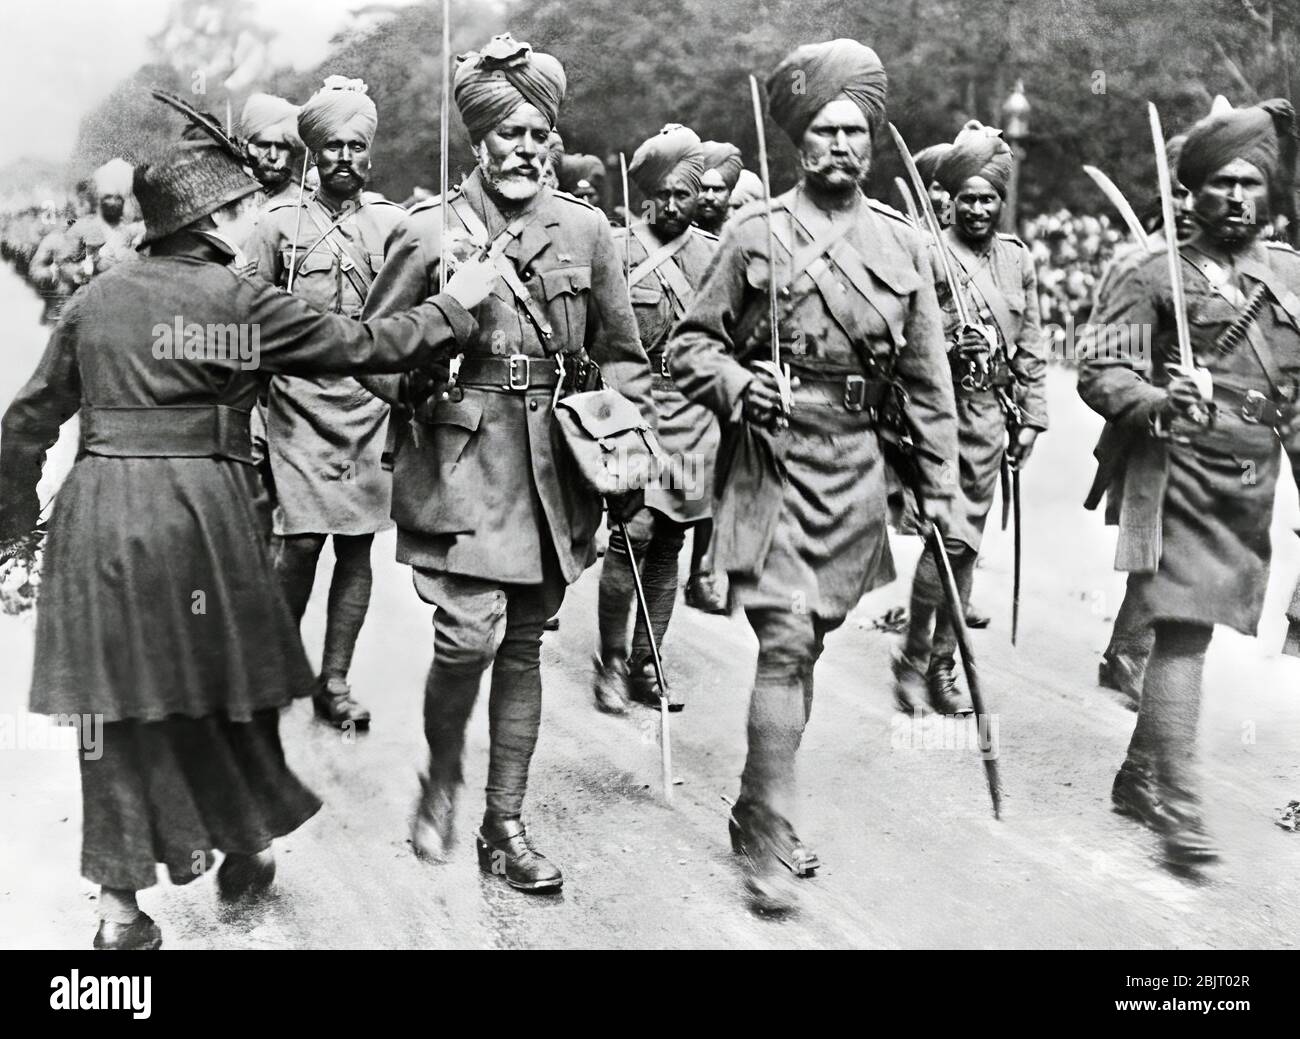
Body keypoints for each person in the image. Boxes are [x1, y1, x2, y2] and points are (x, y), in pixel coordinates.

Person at [0, 113, 495, 950]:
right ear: (212, 221)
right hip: (205, 511)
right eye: (237, 210)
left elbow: (25, 424)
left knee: (110, 711)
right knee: (230, 683)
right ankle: (244, 841)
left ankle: (119, 913)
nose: (247, 220)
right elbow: (367, 346)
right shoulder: (242, 301)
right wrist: (457, 305)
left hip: (100, 517)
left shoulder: (95, 299)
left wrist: (15, 529)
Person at [359, 33, 655, 893]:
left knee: (521, 646)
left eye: (538, 136)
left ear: (552, 142)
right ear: (479, 141)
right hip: (459, 464)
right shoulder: (430, 232)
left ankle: (505, 823)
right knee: (466, 639)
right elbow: (375, 356)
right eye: (508, 135)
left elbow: (623, 354)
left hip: (552, 469)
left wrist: (628, 448)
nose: (524, 151)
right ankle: (442, 772)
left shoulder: (589, 230)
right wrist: (445, 328)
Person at [668, 38, 958, 912]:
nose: (841, 145)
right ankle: (768, 831)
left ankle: (758, 796)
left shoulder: (905, 244)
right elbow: (690, 343)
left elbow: (927, 379)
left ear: (873, 139)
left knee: (813, 641)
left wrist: (940, 485)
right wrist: (737, 384)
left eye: (856, 130)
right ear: (798, 144)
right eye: (825, 131)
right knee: (787, 641)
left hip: (857, 468)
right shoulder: (755, 233)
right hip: (771, 465)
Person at [1078, 98, 1300, 871]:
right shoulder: (1146, 270)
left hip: (1250, 480)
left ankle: (1141, 774)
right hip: (1172, 466)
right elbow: (1099, 370)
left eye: (1251, 184)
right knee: (1181, 626)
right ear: (1194, 191)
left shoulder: (1290, 277)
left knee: (1199, 623)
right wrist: (1156, 399)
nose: (1237, 198)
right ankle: (1177, 799)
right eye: (1221, 184)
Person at [252, 77, 407, 730]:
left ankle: (335, 679)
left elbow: (418, 311)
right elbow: (243, 317)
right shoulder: (277, 226)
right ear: (311, 154)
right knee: (302, 540)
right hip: (297, 405)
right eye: (331, 147)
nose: (343, 157)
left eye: (355, 146)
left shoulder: (395, 224)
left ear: (368, 154)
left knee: (356, 547)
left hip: (370, 407)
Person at [894, 121, 1048, 714]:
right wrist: (946, 346)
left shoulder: (1017, 260)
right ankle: (922, 665)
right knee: (948, 538)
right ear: (951, 203)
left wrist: (1031, 417)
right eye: (968, 200)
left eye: (989, 199)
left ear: (1000, 203)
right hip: (939, 412)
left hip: (991, 419)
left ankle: (936, 660)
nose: (979, 209)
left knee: (965, 545)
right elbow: (902, 333)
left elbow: (1031, 344)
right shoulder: (929, 254)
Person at [592, 124, 718, 714]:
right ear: (645, 193)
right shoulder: (614, 249)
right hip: (631, 407)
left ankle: (649, 660)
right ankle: (611, 662)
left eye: (683, 196)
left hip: (692, 413)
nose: (671, 206)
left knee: (669, 540)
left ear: (698, 198)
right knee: (630, 534)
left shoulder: (715, 258)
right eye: (662, 194)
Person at [1090, 131, 1197, 708]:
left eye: (1195, 192)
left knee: (1189, 547)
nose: (1187, 205)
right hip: (1151, 426)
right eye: (1178, 193)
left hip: (1214, 432)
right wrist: (1155, 388)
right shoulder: (1139, 264)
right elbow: (1106, 359)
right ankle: (1129, 653)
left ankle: (1134, 650)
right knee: (1152, 545)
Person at [240, 92, 305, 205]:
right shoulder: (235, 201)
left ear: (293, 150)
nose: (273, 156)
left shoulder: (303, 203)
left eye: (282, 147)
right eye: (264, 146)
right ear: (247, 147)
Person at [693, 140, 744, 235]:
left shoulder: (741, 234)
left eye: (718, 190)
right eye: (703, 188)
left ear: (730, 192)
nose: (709, 197)